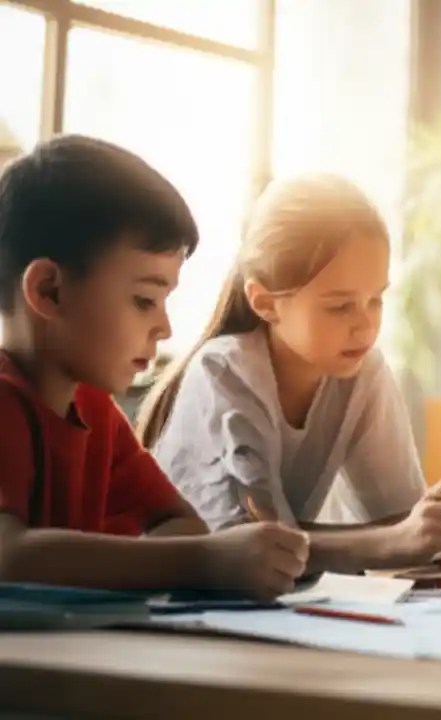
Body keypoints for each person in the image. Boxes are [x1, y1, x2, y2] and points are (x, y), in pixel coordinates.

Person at [0, 135, 307, 599]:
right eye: (144, 300)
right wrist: (203, 561)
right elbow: (7, 557)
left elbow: (179, 523)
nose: (164, 327)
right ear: (49, 290)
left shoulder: (96, 412)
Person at [139, 174, 441, 575]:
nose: (366, 324)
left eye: (376, 300)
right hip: (174, 593)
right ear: (265, 303)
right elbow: (256, 547)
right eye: (340, 306)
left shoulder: (363, 371)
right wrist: (396, 541)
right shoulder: (225, 373)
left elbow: (403, 520)